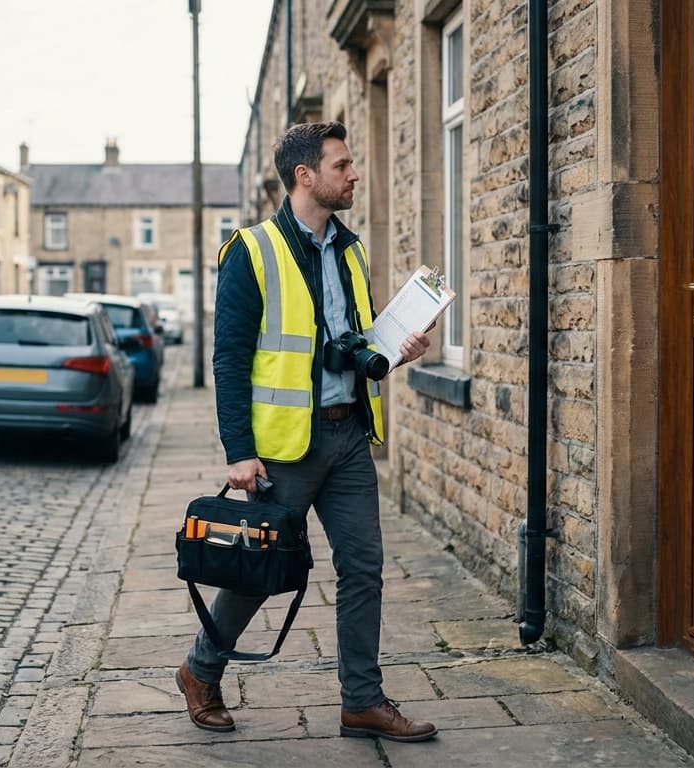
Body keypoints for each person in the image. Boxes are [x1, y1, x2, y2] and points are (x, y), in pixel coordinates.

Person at [177, 121, 437, 742]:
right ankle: (201, 670)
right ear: (305, 175)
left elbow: (351, 343)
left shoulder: (349, 249)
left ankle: (362, 701)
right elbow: (231, 359)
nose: (353, 174)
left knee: (364, 569)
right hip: (286, 447)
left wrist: (396, 351)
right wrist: (239, 452)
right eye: (342, 165)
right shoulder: (251, 250)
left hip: (350, 438)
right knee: (258, 571)